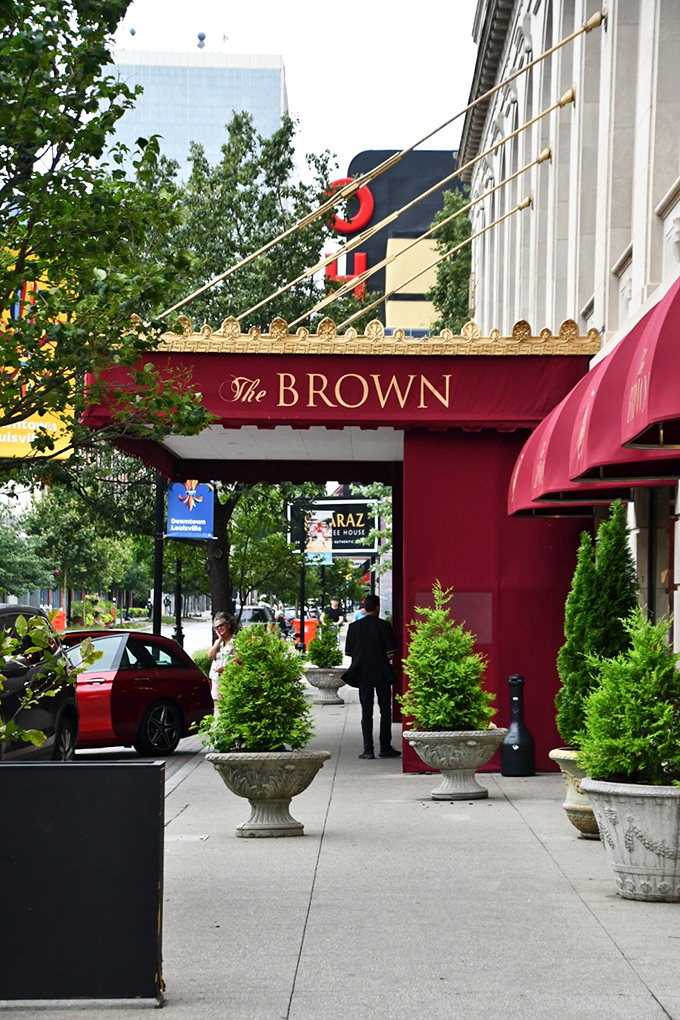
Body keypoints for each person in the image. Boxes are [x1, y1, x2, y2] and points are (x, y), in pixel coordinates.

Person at [343, 594, 401, 760]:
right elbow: (391, 654)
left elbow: (350, 653)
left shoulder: (354, 627)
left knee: (366, 712)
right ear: (377, 608)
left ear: (365, 608)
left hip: (362, 674)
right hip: (382, 673)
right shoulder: (384, 626)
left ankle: (368, 749)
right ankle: (385, 747)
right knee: (385, 711)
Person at [207, 613, 238, 703]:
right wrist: (220, 638)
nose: (219, 628)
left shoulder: (235, 642)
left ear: (228, 625)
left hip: (228, 681)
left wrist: (225, 667)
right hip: (216, 681)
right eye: (217, 627)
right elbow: (210, 655)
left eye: (221, 625)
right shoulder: (218, 643)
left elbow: (240, 657)